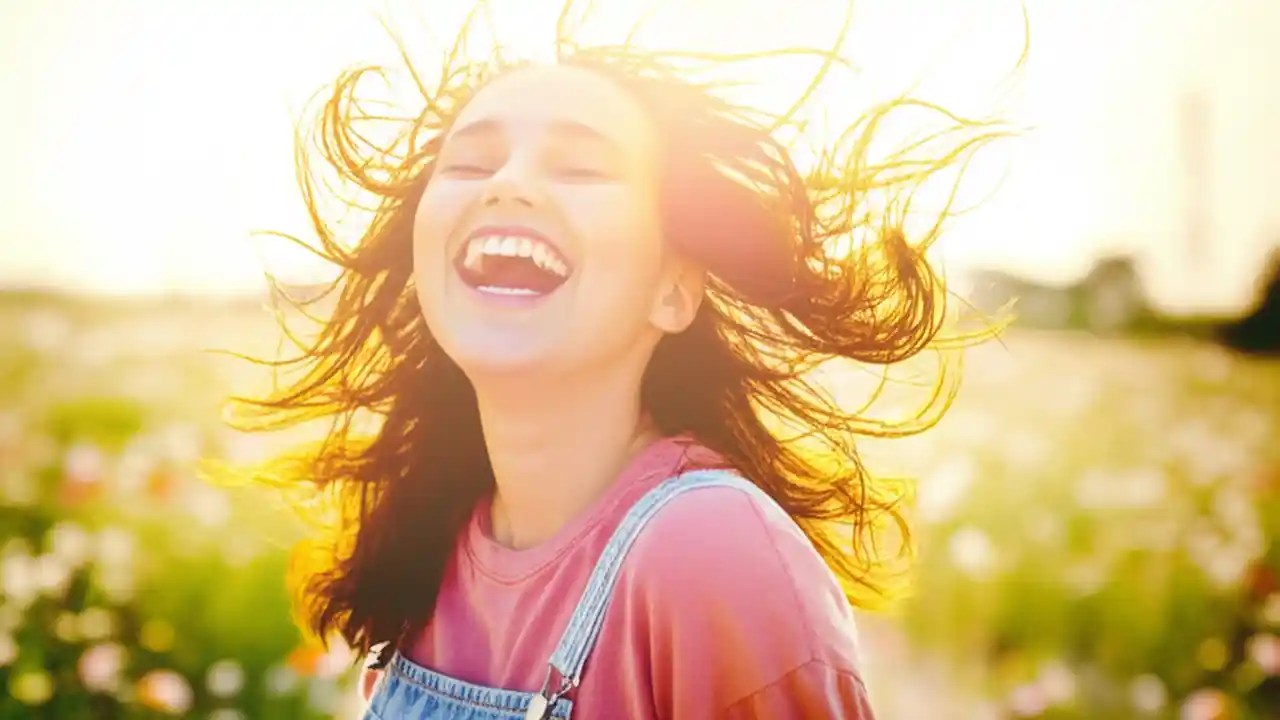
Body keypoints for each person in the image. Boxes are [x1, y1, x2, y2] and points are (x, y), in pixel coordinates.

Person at [212, 3, 1005, 717]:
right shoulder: (423, 545)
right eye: (469, 164)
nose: (509, 184)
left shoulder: (711, 552)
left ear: (672, 290)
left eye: (580, 167)